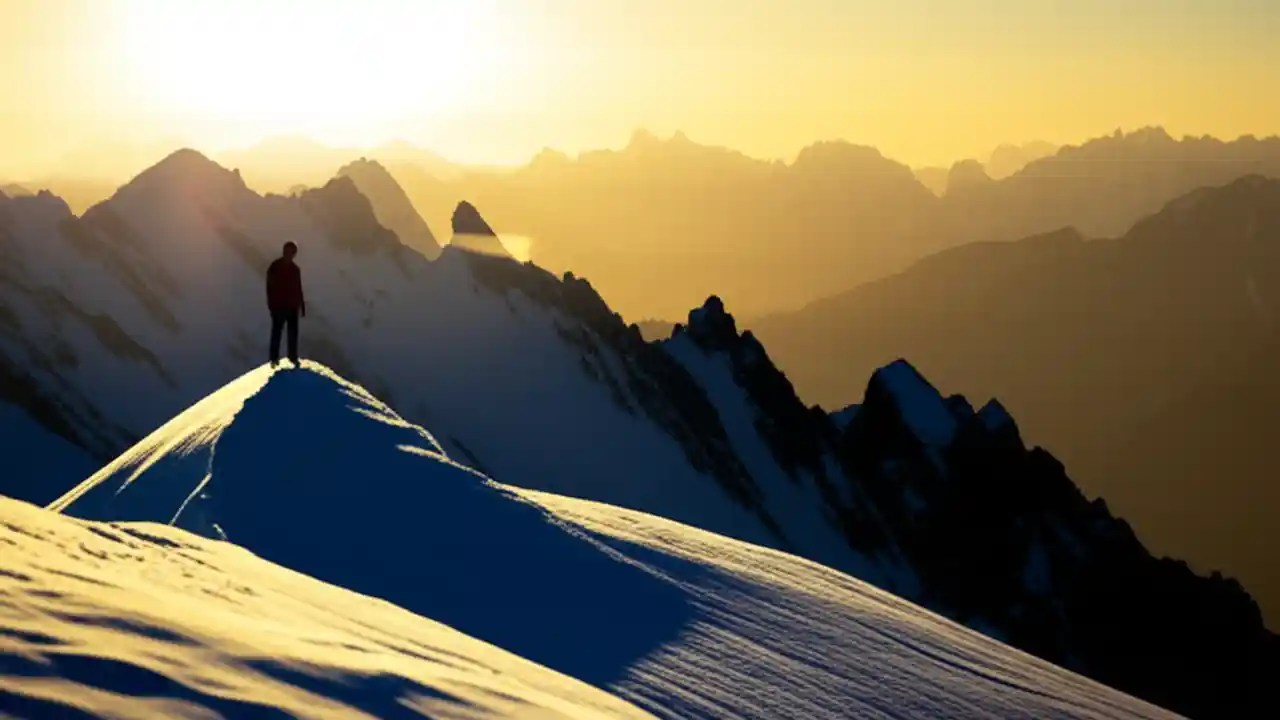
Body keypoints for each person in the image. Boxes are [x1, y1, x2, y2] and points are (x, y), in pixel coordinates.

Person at [266, 241, 305, 367]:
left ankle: (290, 356)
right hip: (281, 306)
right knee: (279, 332)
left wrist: (301, 305)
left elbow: (298, 288)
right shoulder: (277, 267)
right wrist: (272, 306)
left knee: (288, 332)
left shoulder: (290, 269)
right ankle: (275, 358)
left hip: (289, 306)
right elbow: (270, 288)